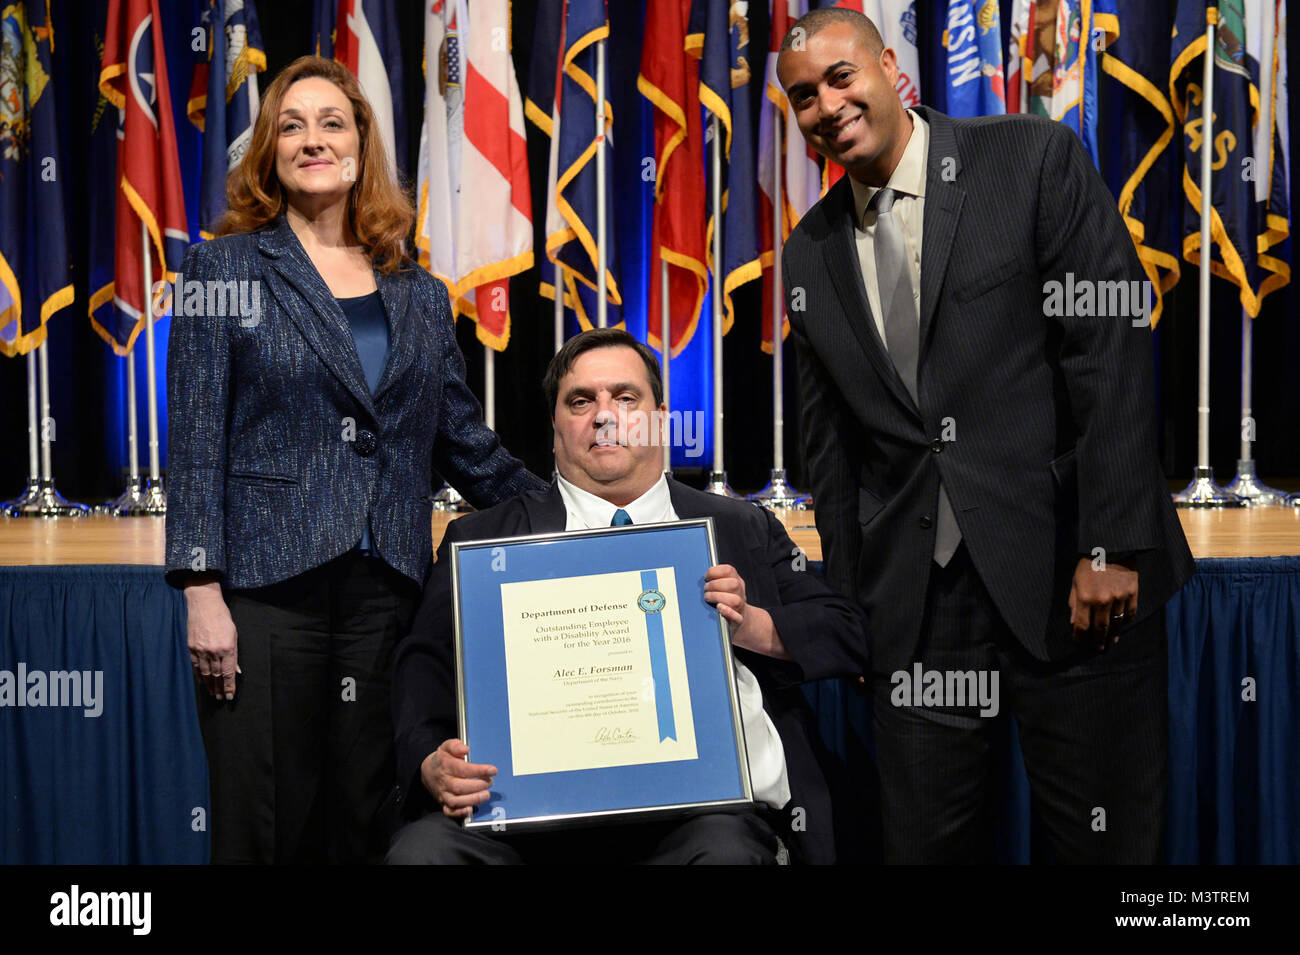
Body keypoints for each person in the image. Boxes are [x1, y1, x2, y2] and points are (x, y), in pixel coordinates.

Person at [775, 8, 1194, 863]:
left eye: (841, 76)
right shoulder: (807, 253)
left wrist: (1109, 544)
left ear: (891, 66)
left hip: (1074, 584)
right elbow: (832, 451)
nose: (826, 105)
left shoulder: (1032, 158)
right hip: (920, 618)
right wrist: (861, 613)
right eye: (803, 96)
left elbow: (1107, 352)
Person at [164, 55, 546, 864]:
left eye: (331, 122)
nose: (312, 140)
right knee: (267, 825)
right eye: (291, 126)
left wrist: (580, 516)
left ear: (360, 143)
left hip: (386, 598)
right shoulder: (218, 270)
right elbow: (195, 442)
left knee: (368, 822)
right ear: (268, 149)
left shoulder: (417, 290)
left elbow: (463, 444)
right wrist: (201, 588)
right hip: (267, 594)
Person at [385, 328, 868, 864]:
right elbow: (422, 668)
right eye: (581, 401)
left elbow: (844, 631)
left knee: (726, 852)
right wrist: (431, 762)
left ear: (660, 418)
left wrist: (749, 623)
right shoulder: (483, 541)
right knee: (423, 852)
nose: (603, 415)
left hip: (695, 819)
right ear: (555, 428)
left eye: (625, 397)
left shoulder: (739, 526)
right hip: (522, 824)